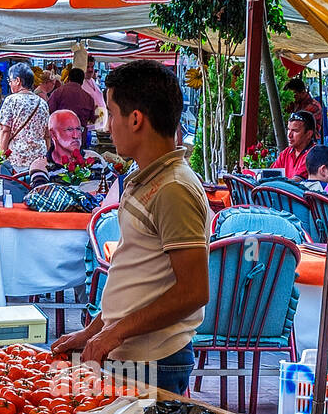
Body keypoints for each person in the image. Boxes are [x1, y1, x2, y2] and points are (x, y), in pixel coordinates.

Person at [51, 60, 210, 396]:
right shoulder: (151, 178)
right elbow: (135, 276)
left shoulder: (174, 188)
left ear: (135, 119)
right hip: (134, 355)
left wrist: (115, 332)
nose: (108, 126)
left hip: (155, 362)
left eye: (111, 113)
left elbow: (193, 292)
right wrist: (95, 330)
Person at [26, 110, 106, 187]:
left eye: (78, 129)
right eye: (69, 129)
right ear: (53, 134)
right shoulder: (42, 166)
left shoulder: (94, 158)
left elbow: (115, 187)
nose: (76, 136)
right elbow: (41, 196)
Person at [0, 63, 49, 172]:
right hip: (39, 160)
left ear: (18, 81)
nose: (10, 84)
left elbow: (5, 130)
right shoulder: (43, 103)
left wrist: (1, 155)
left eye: (10, 81)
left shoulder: (11, 100)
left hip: (17, 158)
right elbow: (47, 135)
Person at [48, 68, 98, 145]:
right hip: (79, 138)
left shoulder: (58, 92)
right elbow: (93, 119)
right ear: (82, 81)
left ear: (69, 78)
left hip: (60, 137)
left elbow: (49, 112)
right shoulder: (88, 98)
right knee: (77, 157)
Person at [269, 111, 318, 179]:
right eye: (288, 129)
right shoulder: (286, 153)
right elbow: (270, 175)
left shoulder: (314, 154)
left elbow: (296, 181)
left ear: (309, 134)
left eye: (295, 131)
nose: (289, 135)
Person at [82, 55, 107, 139]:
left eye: (92, 67)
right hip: (88, 129)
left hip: (98, 128)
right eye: (87, 67)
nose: (90, 69)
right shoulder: (80, 84)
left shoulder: (92, 81)